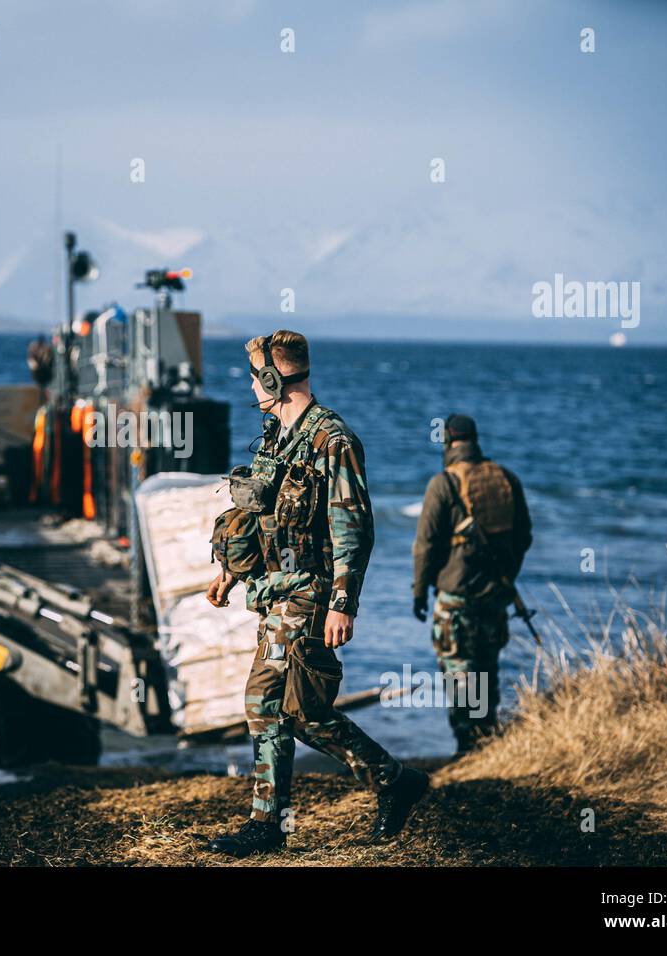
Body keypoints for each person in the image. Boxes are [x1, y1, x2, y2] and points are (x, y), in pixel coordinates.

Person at [205, 330, 429, 857]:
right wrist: (230, 571)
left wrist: (342, 604)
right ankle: (280, 819)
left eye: (253, 374)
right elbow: (257, 517)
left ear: (270, 377)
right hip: (276, 592)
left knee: (284, 707)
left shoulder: (333, 440)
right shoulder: (276, 437)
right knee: (280, 708)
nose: (249, 385)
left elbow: (353, 528)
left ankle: (383, 783)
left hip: (310, 595)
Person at [412, 414, 532, 754]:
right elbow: (524, 536)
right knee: (486, 668)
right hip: (495, 597)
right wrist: (507, 575)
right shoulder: (506, 479)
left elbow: (425, 545)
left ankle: (467, 746)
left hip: (456, 599)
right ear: (475, 439)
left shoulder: (444, 484)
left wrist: (420, 591)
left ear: (448, 442)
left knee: (461, 673)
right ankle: (485, 740)